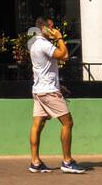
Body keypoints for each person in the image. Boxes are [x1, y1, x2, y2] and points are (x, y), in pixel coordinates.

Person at [27, 17, 86, 174]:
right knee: (68, 123)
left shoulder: (34, 44)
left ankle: (35, 162)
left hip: (39, 90)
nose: (53, 29)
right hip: (49, 91)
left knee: (37, 124)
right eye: (51, 27)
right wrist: (59, 37)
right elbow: (64, 55)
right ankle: (67, 161)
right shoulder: (45, 44)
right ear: (44, 28)